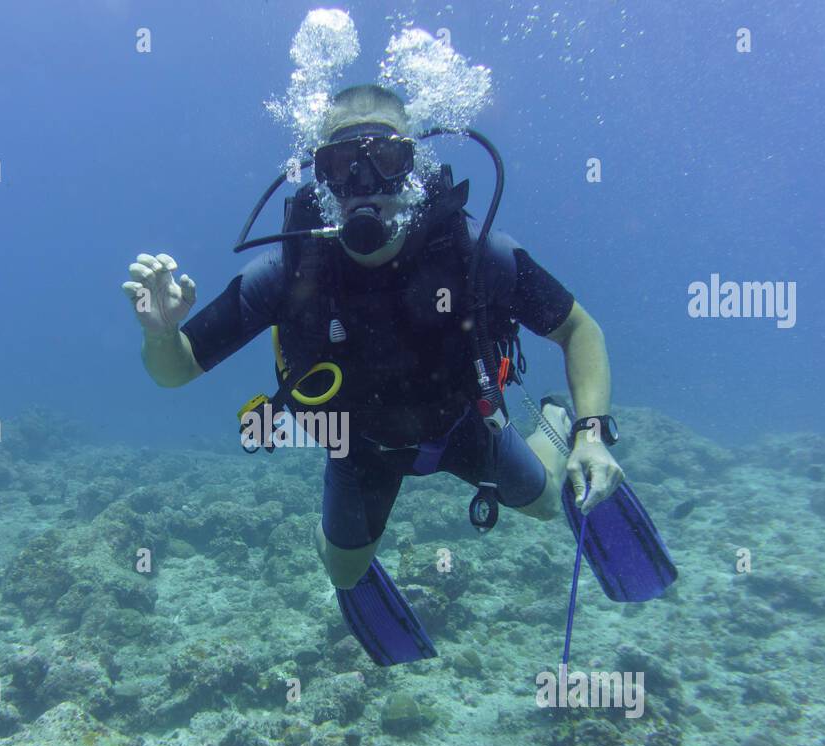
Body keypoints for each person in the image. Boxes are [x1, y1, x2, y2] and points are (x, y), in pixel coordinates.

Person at [123, 85, 669, 666]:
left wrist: (589, 433)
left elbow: (578, 330)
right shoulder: (289, 271)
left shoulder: (473, 253)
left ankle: (556, 421)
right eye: (341, 163)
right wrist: (160, 334)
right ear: (321, 177)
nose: (364, 184)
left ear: (413, 166)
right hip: (359, 447)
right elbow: (176, 371)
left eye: (384, 159)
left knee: (539, 503)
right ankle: (340, 544)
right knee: (343, 570)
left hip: (465, 423)